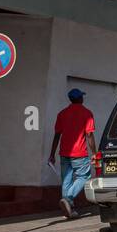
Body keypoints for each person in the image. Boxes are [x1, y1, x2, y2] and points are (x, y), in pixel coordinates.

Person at [48, 88, 96, 219]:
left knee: (66, 181)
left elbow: (57, 135)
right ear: (80, 98)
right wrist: (94, 153)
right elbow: (89, 135)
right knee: (84, 177)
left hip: (64, 153)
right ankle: (68, 199)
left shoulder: (62, 114)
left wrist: (52, 154)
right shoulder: (87, 113)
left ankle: (68, 210)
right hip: (80, 153)